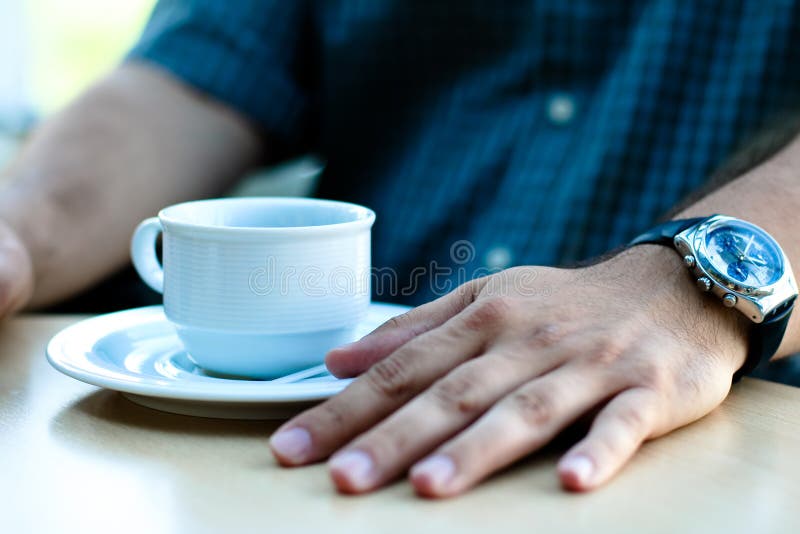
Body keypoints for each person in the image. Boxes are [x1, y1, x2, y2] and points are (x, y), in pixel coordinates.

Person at [1, 1, 800, 498]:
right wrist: (19, 228)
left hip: (712, 449)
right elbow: (191, 78)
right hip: (320, 442)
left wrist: (696, 285)